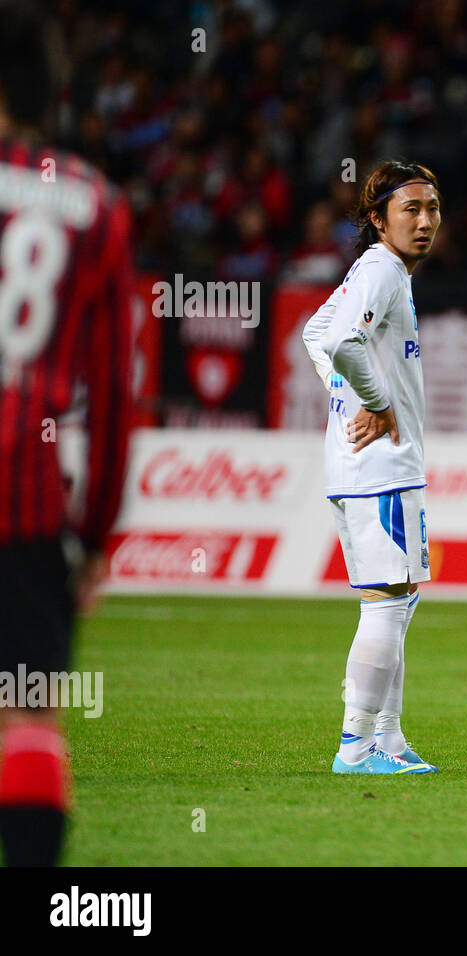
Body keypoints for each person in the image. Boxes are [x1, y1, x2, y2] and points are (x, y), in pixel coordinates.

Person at [0, 0, 137, 865]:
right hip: (27, 499)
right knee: (25, 715)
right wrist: (93, 536)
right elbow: (119, 396)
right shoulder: (94, 204)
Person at [302, 161, 441, 775]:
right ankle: (356, 746)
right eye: (410, 209)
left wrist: (344, 400)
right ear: (378, 218)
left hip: (366, 465)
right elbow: (338, 342)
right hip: (380, 467)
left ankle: (388, 739)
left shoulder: (375, 271)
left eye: (433, 208)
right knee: (388, 602)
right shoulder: (383, 270)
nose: (425, 221)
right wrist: (376, 405)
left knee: (398, 599)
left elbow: (315, 330)